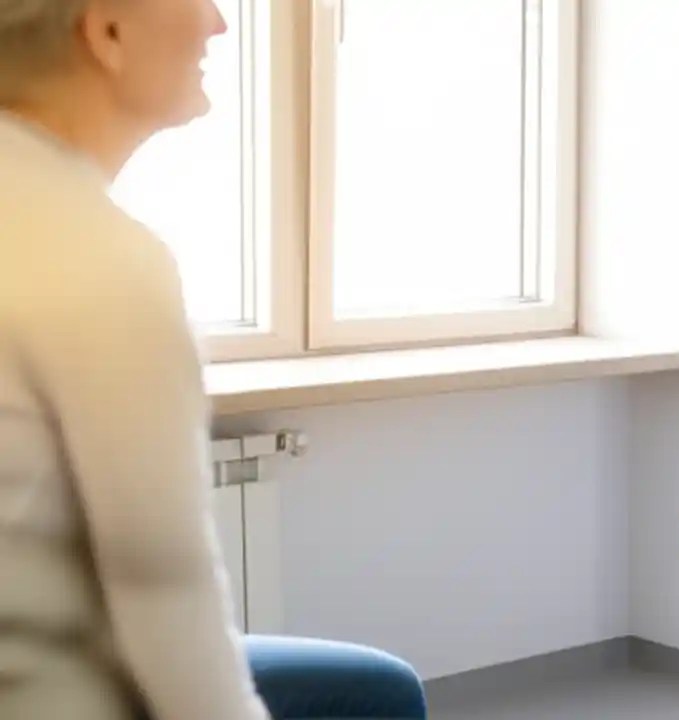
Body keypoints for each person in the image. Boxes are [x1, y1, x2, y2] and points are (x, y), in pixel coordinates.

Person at [0, 1, 426, 719]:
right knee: (379, 697)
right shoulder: (95, 257)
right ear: (105, 31)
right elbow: (169, 615)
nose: (219, 23)